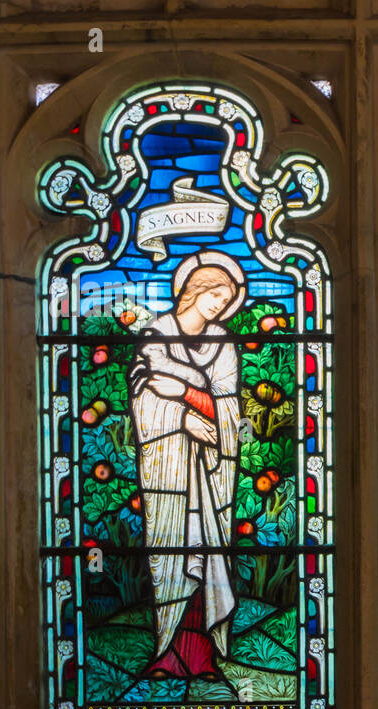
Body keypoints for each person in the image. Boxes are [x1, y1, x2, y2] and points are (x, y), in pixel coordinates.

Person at [129, 251, 245, 681]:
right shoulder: (155, 335)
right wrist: (181, 419)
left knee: (209, 555)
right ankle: (166, 654)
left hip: (211, 473)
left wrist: (184, 388)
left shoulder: (224, 343)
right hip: (169, 468)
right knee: (173, 554)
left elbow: (228, 407)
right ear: (193, 290)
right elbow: (143, 399)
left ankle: (202, 657)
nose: (219, 303)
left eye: (226, 297)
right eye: (214, 293)